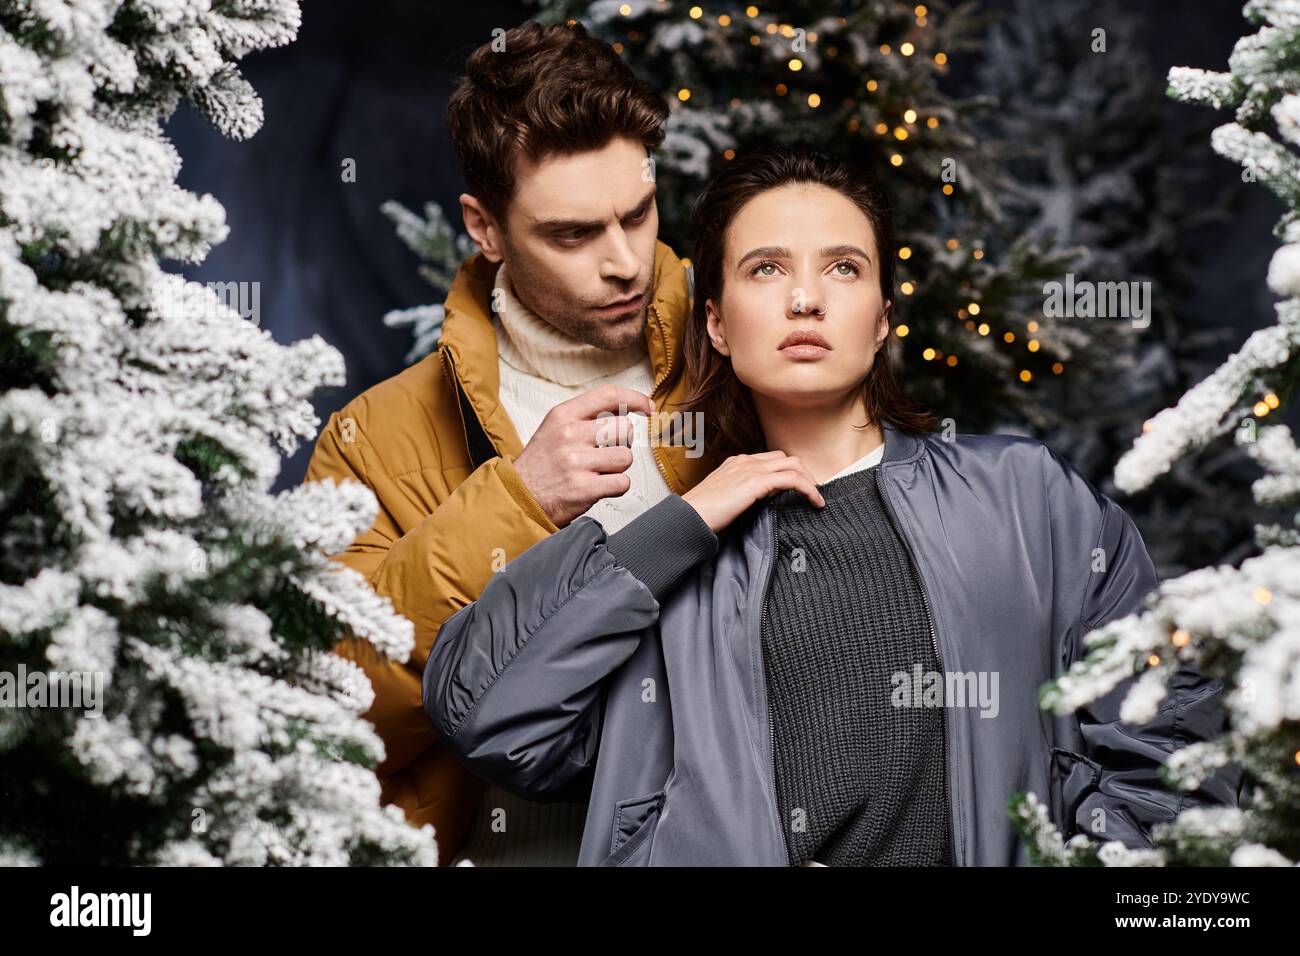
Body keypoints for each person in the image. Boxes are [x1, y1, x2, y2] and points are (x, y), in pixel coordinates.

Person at [422, 143, 1240, 866]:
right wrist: (682, 523)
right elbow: (486, 713)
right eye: (766, 269)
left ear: (882, 318)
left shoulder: (1028, 502)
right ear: (715, 322)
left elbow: (1173, 736)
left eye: (843, 267)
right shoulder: (670, 555)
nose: (805, 300)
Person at [304, 21, 715, 865]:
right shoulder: (373, 436)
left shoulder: (743, 368)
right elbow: (331, 708)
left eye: (637, 215)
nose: (624, 263)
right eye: (571, 235)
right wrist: (515, 505)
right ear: (485, 229)